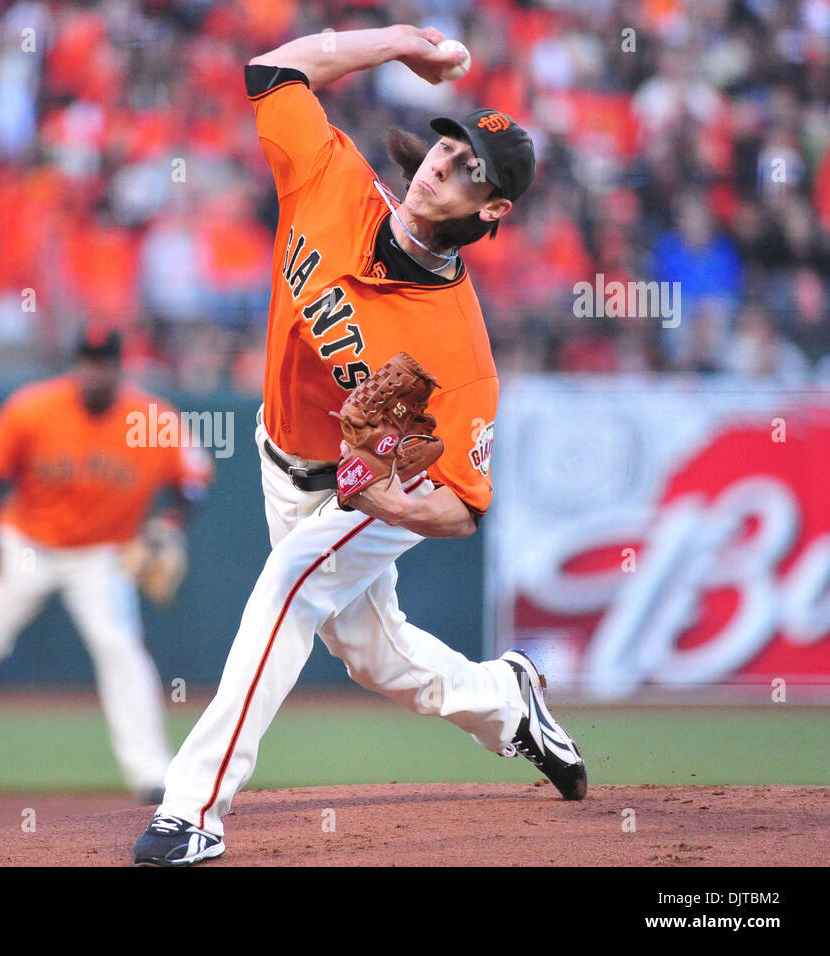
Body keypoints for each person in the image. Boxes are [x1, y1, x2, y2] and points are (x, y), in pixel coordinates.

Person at [133, 24, 587, 866]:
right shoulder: (333, 178)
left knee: (288, 586)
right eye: (447, 149)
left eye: (467, 175)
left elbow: (460, 507)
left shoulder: (458, 353)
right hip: (282, 455)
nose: (441, 168)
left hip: (371, 486)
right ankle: (508, 700)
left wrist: (382, 497)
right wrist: (401, 43)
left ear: (492, 211)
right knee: (374, 655)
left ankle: (193, 809)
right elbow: (272, 69)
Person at [0, 328, 211, 803]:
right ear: (76, 364)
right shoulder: (32, 407)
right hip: (24, 544)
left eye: (103, 362)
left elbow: (194, 480)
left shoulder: (153, 419)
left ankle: (152, 774)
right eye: (87, 361)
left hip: (102, 556)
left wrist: (170, 524)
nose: (94, 371)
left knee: (121, 651)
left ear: (119, 367)